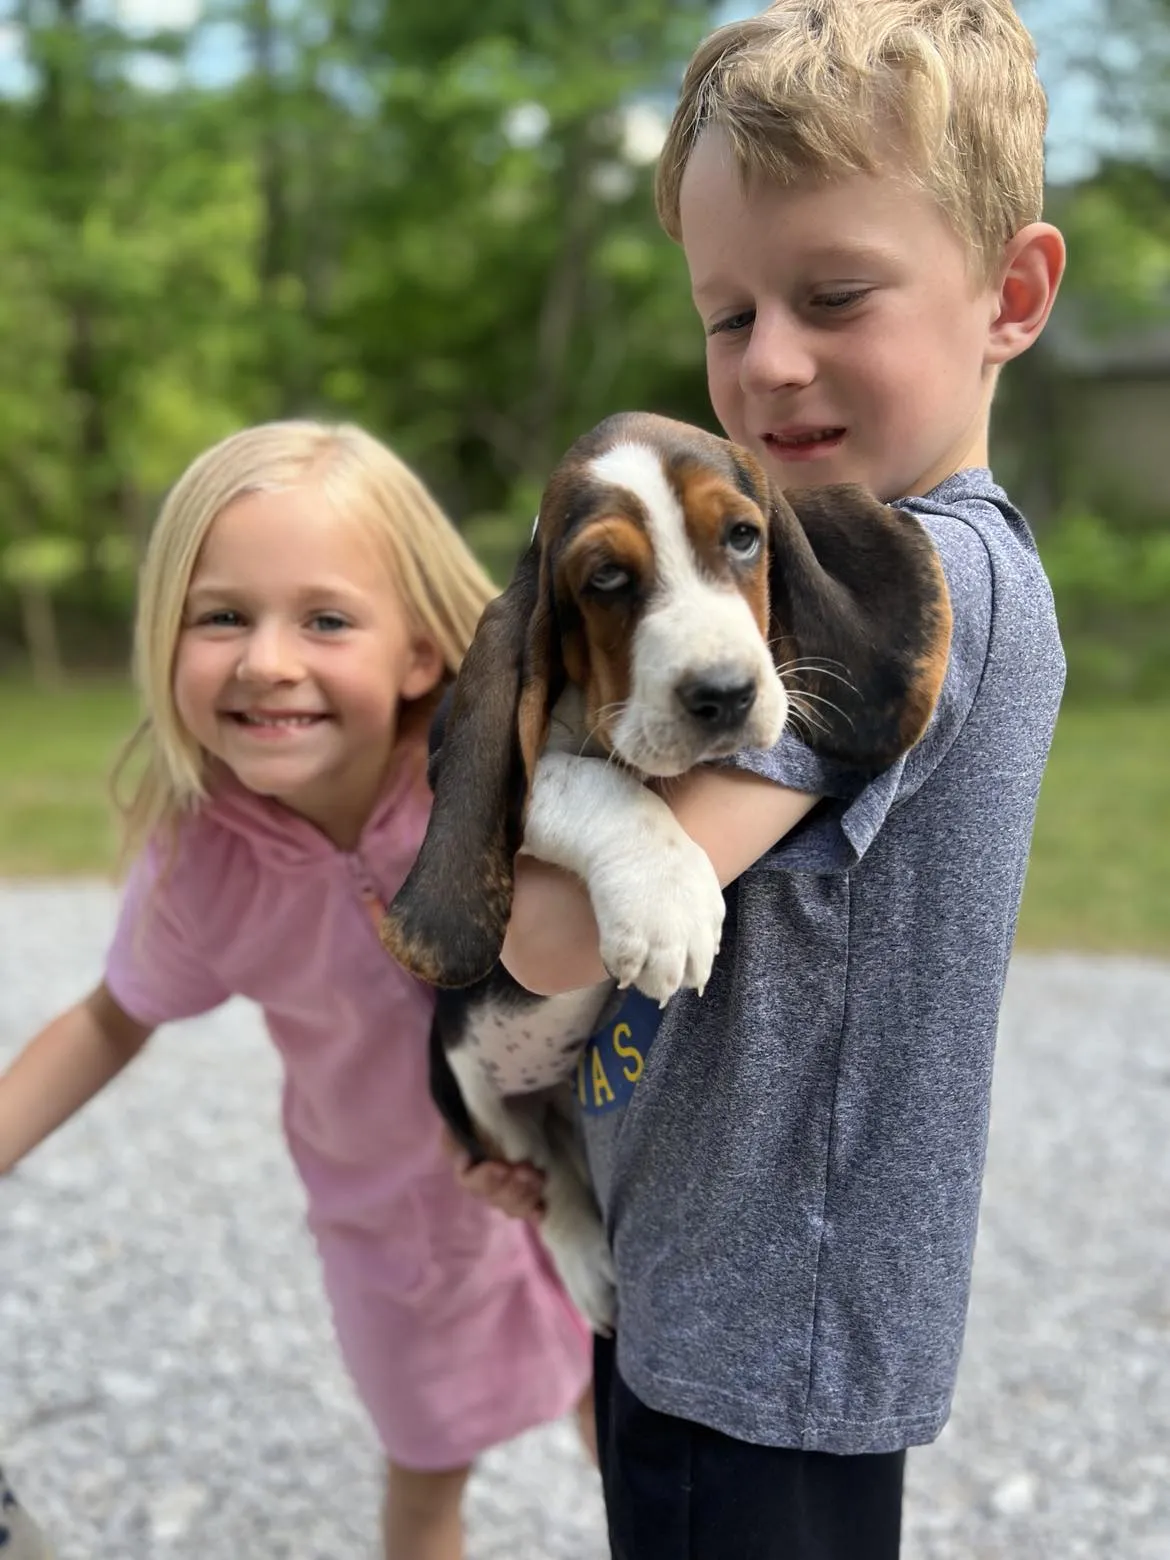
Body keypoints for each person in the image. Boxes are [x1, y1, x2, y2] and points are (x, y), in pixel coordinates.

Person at [456, 3, 1068, 1556]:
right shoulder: (813, 556)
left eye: (833, 294)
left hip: (765, 1315)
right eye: (728, 317)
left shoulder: (913, 583)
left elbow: (549, 943)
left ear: (1011, 293)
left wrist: (534, 816)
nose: (770, 360)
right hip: (709, 1274)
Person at [0, 420, 594, 1560]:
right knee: (427, 1477)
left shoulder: (501, 785)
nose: (267, 659)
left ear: (421, 652)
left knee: (629, 1433)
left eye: (324, 619)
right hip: (397, 1224)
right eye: (222, 615)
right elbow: (110, 1018)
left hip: (582, 1177)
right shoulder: (207, 861)